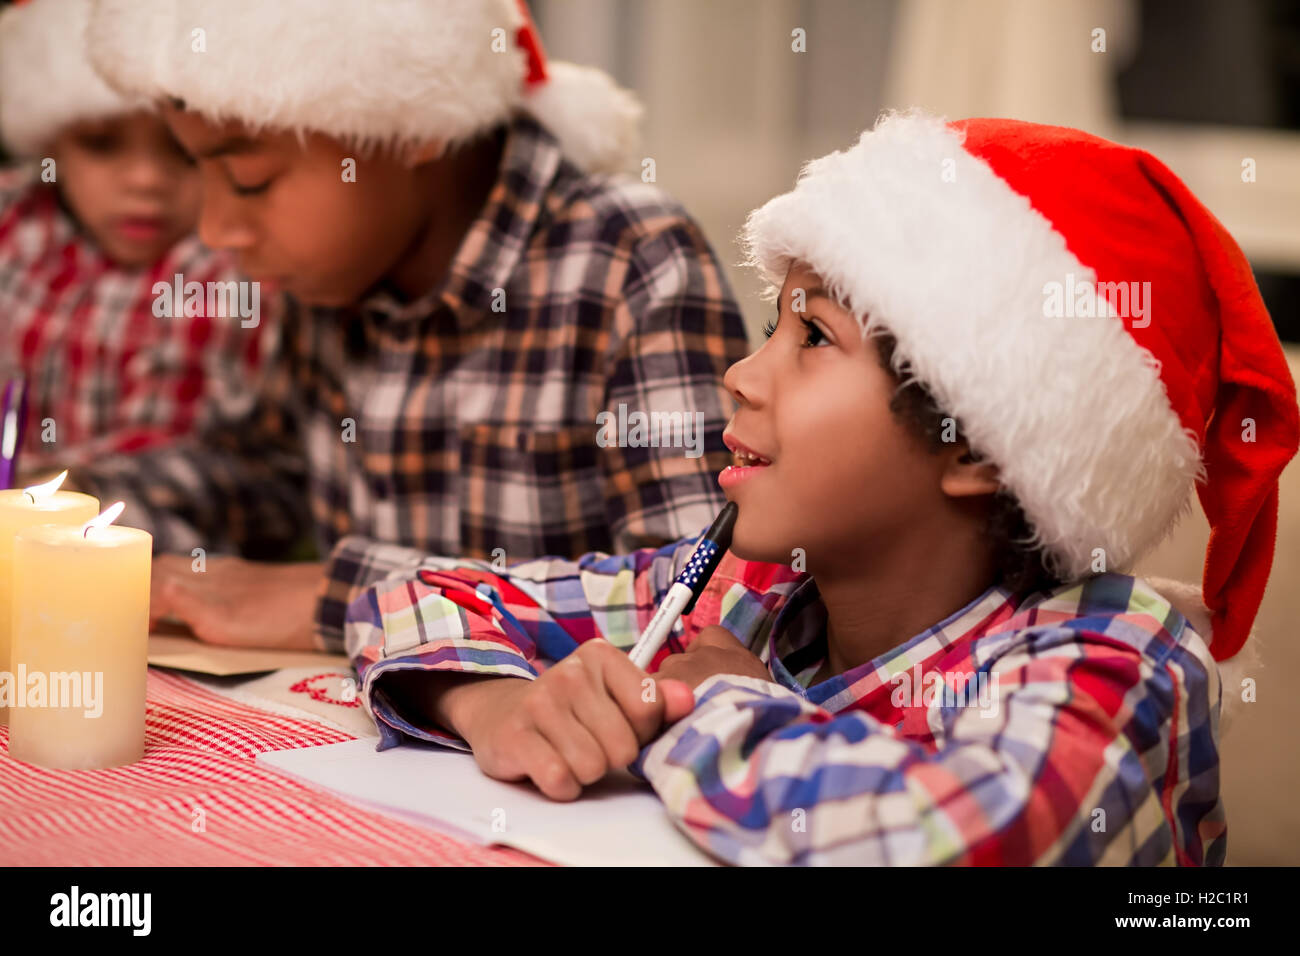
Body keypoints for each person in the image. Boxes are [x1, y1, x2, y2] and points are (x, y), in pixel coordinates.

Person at [341, 112, 1299, 865]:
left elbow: (974, 839)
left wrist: (712, 706)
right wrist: (492, 706)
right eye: (774, 325)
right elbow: (422, 595)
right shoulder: (744, 595)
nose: (743, 376)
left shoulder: (1122, 657)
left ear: (975, 443)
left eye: (814, 340)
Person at [70, 0, 750, 652]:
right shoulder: (330, 275)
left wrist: (338, 600)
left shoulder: (629, 256)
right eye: (198, 166)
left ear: (413, 122)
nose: (215, 227)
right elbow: (258, 480)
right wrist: (78, 504)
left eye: (248, 179)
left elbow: (699, 600)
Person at [0, 0, 268, 479]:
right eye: (101, 144)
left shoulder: (232, 273)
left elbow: (194, 455)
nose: (145, 180)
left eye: (186, 152)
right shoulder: (16, 221)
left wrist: (45, 492)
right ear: (50, 146)